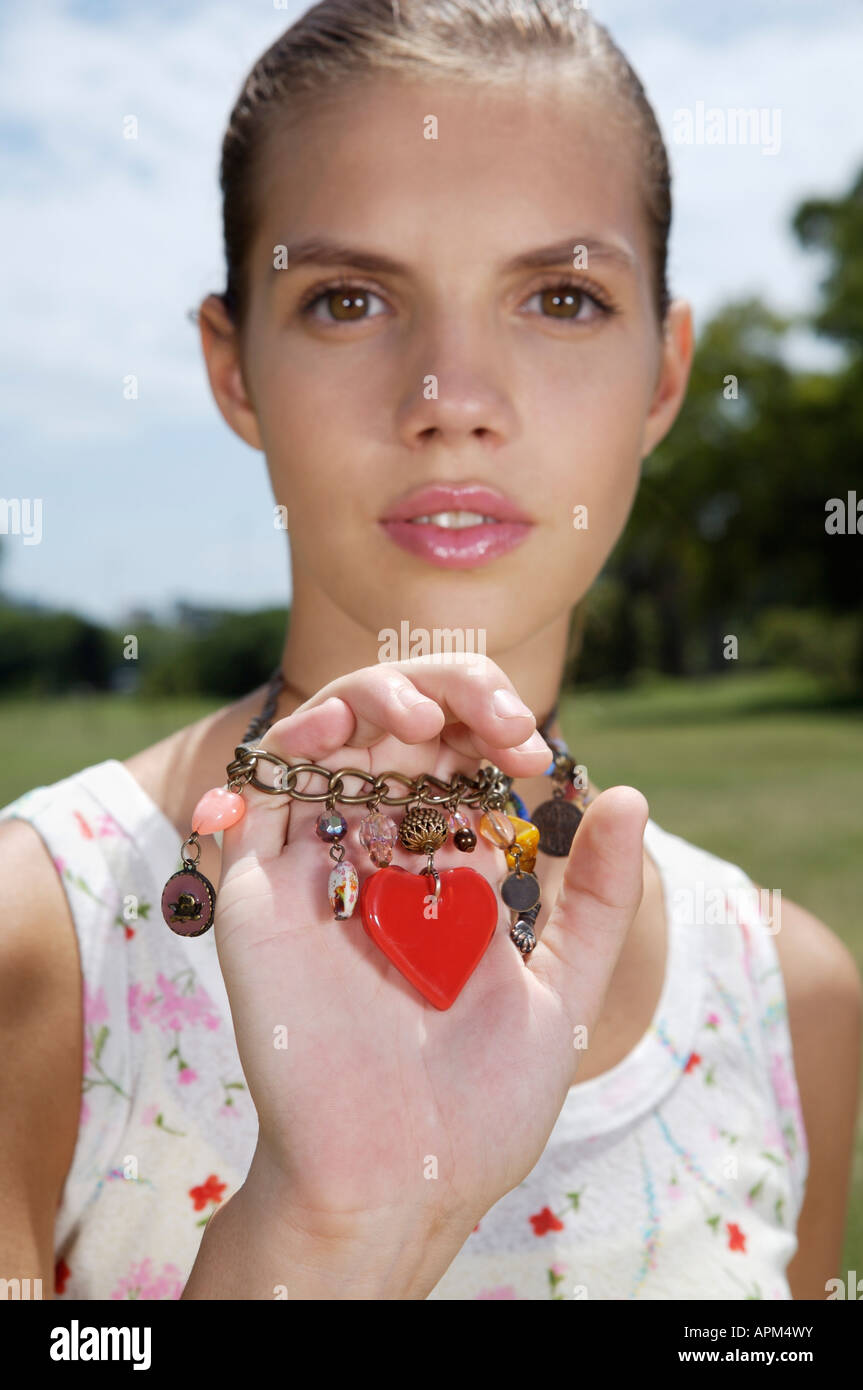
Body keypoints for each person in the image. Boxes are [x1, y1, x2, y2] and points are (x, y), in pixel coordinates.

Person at [1, 0, 859, 1302]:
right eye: (348, 299)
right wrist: (322, 1243)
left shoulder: (792, 997)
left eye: (562, 298)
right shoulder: (40, 944)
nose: (452, 396)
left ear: (665, 376)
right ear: (234, 369)